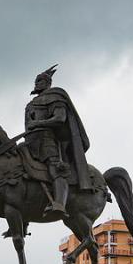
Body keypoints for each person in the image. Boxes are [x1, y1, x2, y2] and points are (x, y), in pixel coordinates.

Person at [23, 64, 91, 218]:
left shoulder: (55, 97)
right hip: (30, 142)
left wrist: (38, 124)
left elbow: (60, 119)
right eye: (36, 81)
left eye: (40, 81)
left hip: (48, 140)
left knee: (56, 169)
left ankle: (59, 204)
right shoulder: (31, 104)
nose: (37, 84)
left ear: (48, 83)